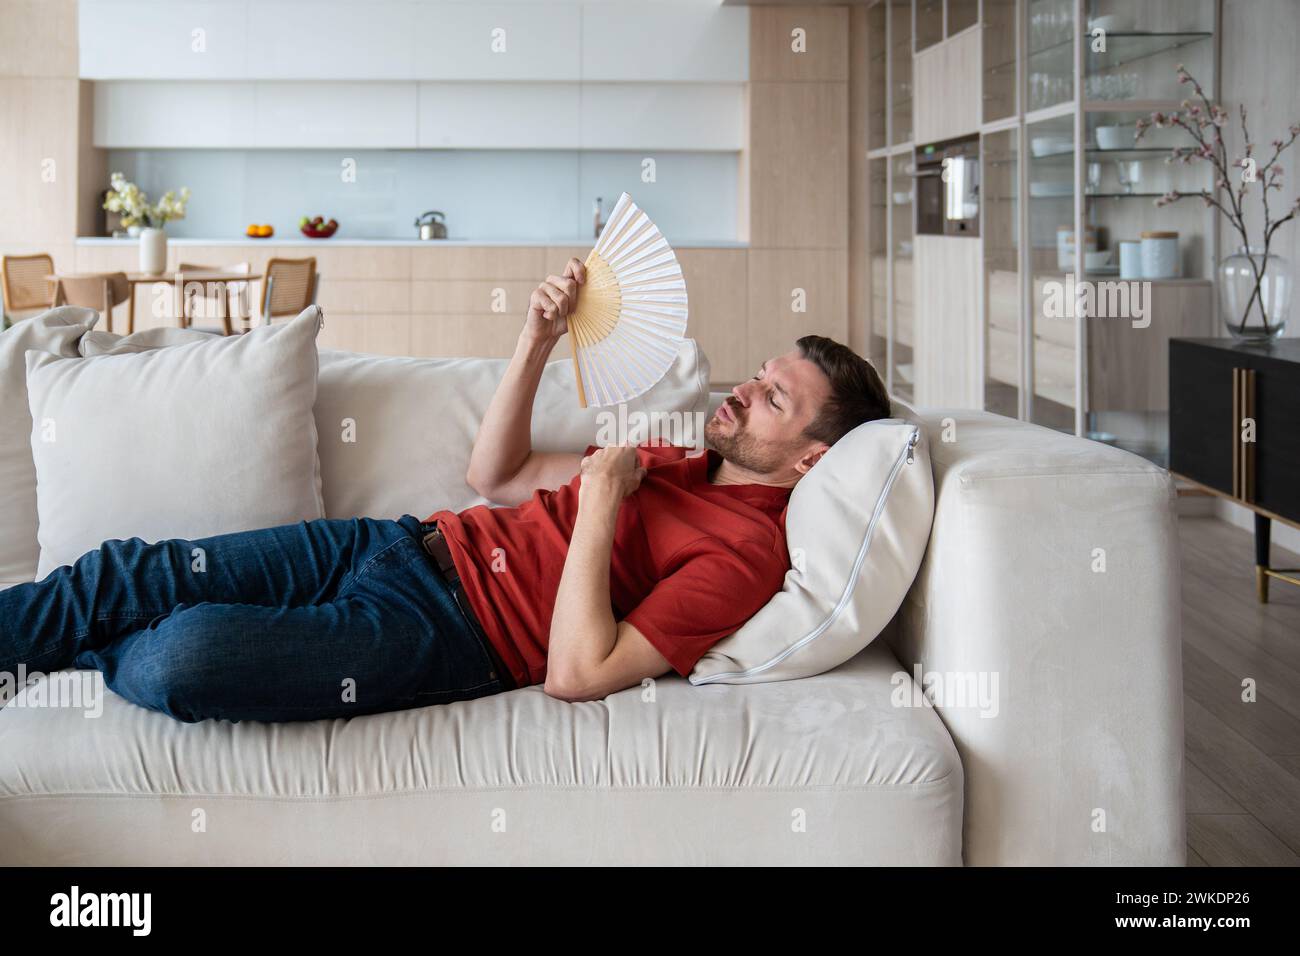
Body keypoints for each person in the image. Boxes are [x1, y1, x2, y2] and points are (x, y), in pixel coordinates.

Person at [0, 259, 890, 723]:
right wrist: (536, 343)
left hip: (450, 631)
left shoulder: (743, 553)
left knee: (184, 657)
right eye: (761, 375)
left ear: (813, 458)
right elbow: (493, 476)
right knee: (128, 571)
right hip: (396, 543)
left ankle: (72, 651)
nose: (741, 390)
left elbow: (580, 674)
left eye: (773, 397)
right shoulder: (679, 452)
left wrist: (609, 499)